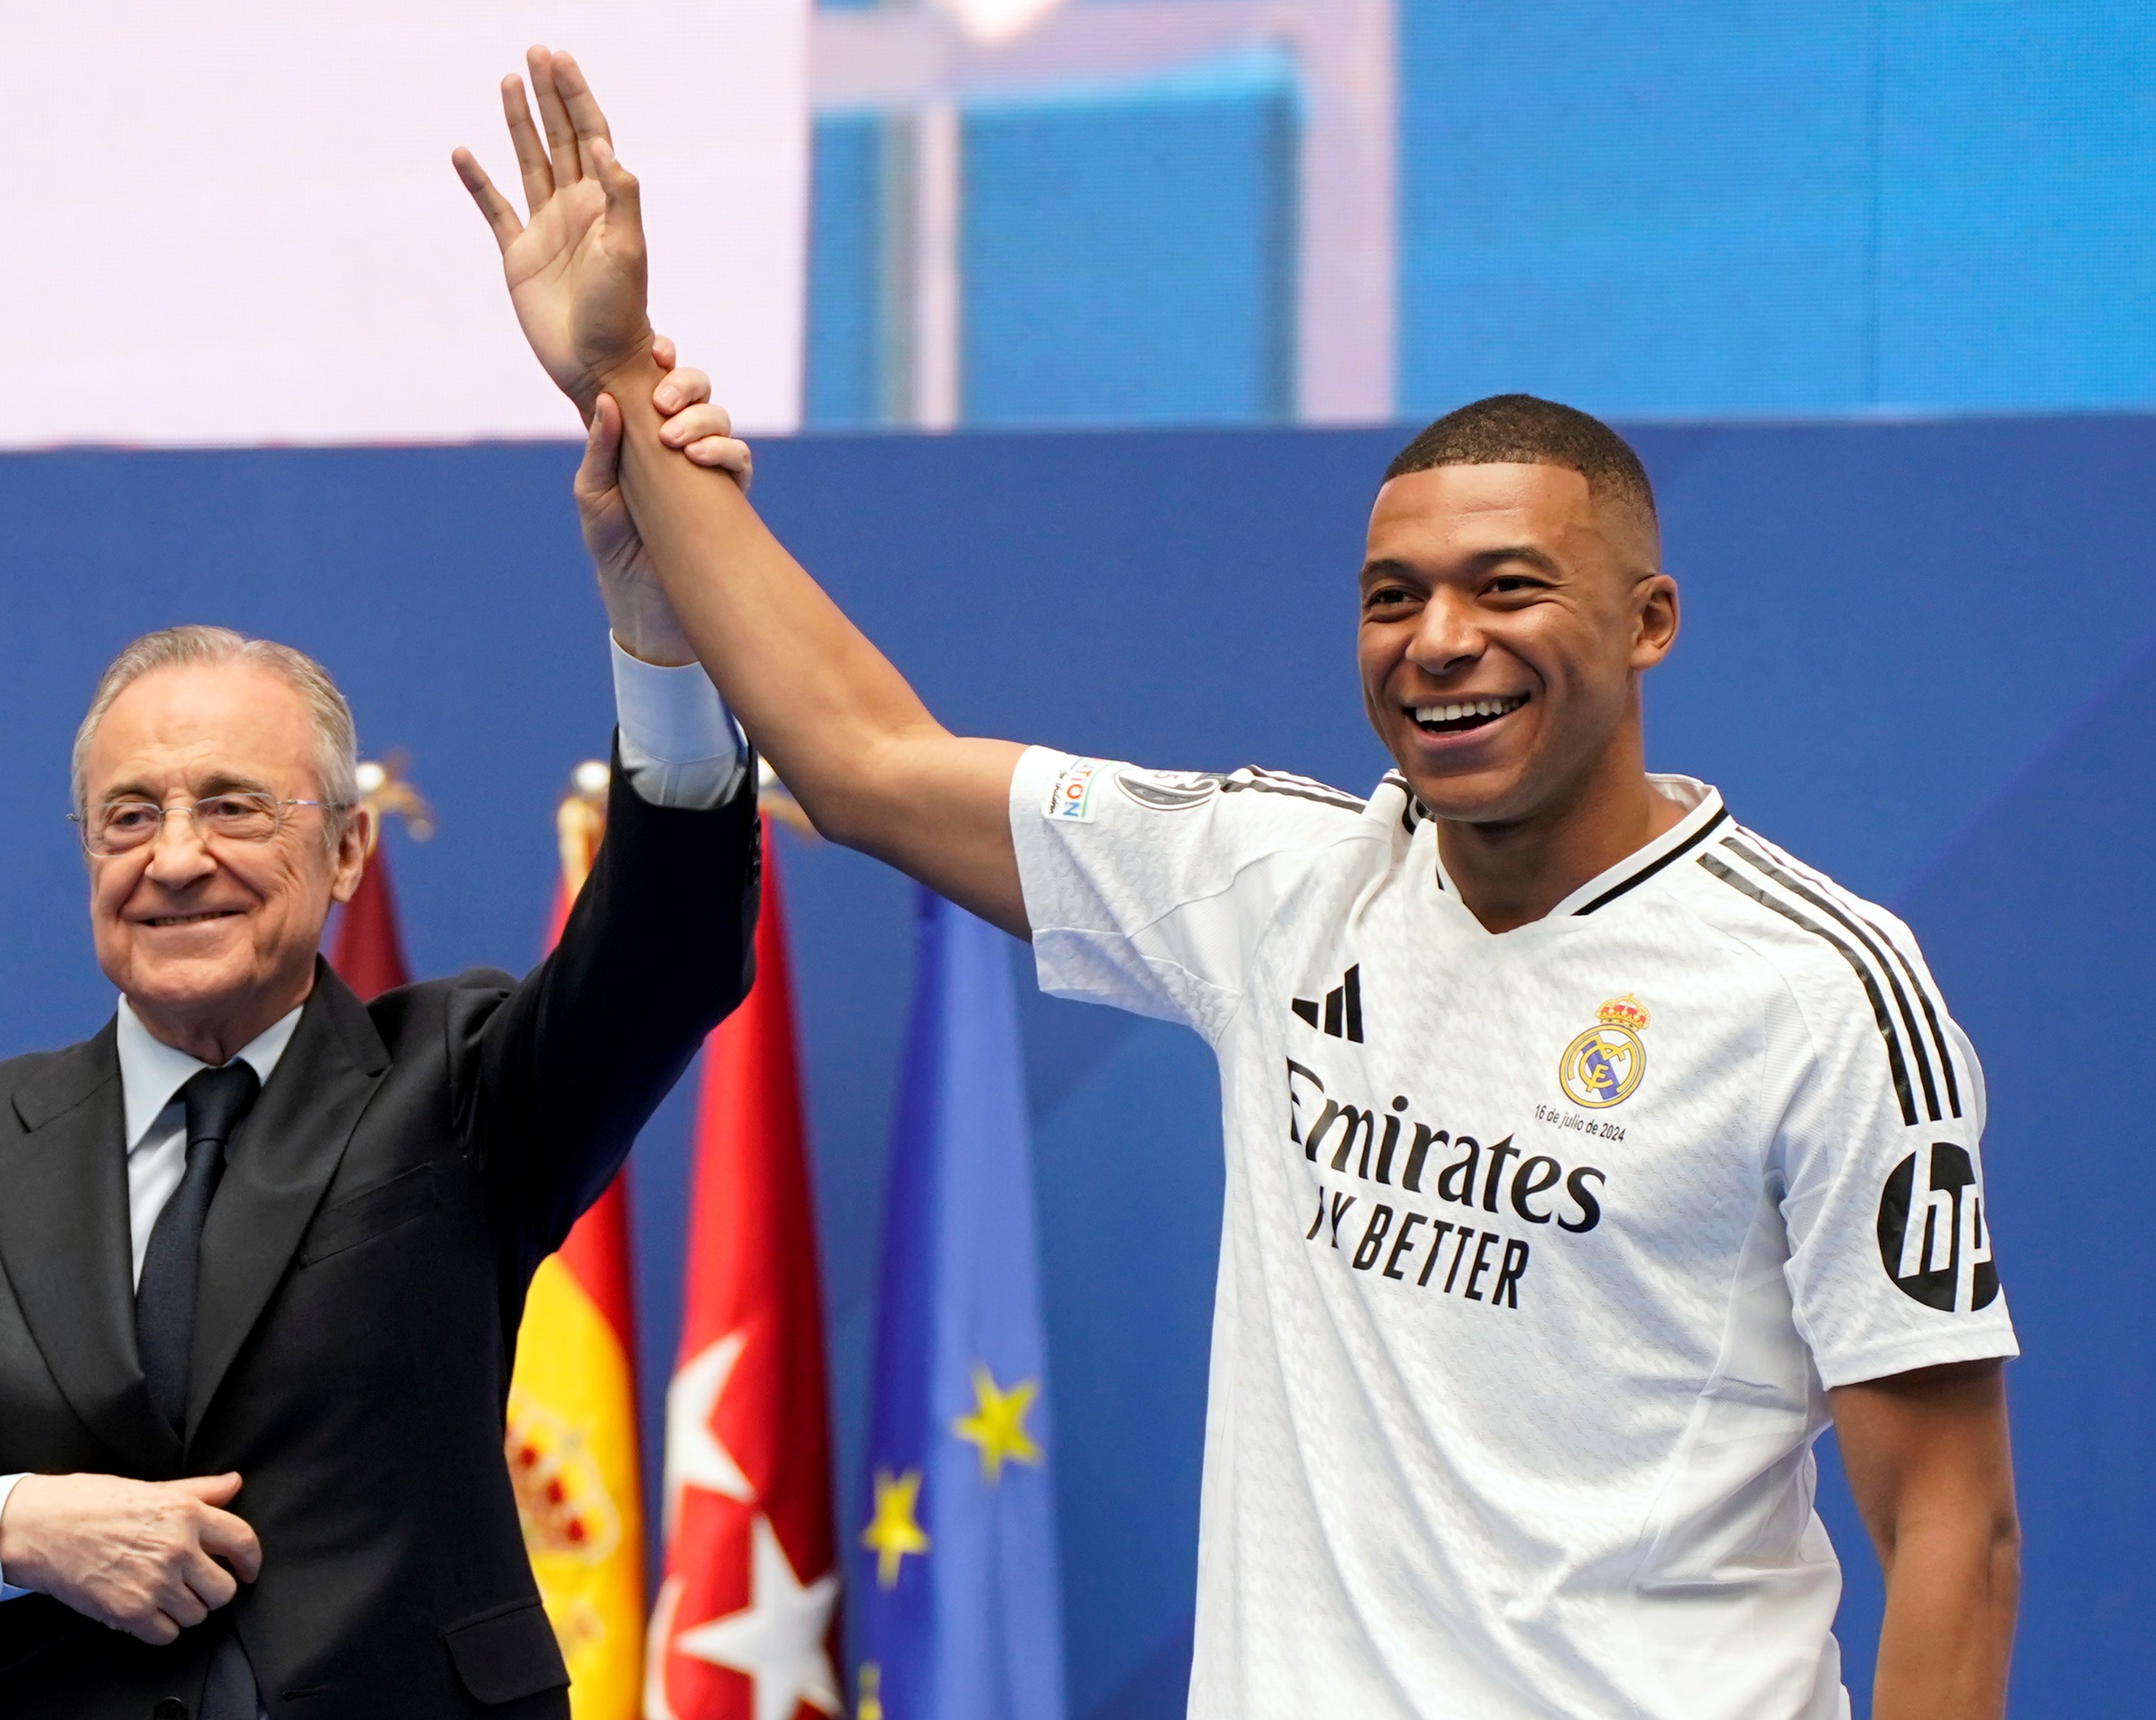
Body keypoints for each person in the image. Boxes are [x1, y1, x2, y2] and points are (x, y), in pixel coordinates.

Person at [453, 51, 2022, 1720]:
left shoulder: (1823, 987)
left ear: (1650, 622)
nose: (1440, 643)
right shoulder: (1281, 882)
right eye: (1391, 596)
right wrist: (617, 369)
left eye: (1508, 587)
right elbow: (865, 758)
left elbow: (1952, 1526)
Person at [0, 347, 765, 1720]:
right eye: (130, 815)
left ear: (350, 850)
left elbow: (665, 949)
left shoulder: (463, 1086)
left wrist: (656, 620)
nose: (176, 858)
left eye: (235, 807)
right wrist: (12, 1529)